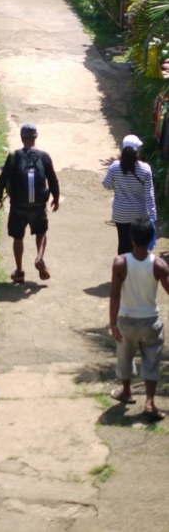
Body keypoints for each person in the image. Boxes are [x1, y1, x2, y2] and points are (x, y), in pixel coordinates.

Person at [109, 217, 169, 420]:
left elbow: (115, 294)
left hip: (127, 320)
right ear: (152, 237)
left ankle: (126, 392)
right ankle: (150, 402)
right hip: (151, 321)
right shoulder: (159, 265)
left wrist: (112, 323)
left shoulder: (121, 263)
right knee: (151, 360)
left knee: (124, 357)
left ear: (131, 238)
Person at [0, 121, 60, 283]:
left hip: (18, 204)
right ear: (35, 137)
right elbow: (52, 179)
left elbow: (3, 178)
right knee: (41, 231)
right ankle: (39, 257)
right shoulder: (44, 156)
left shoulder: (14, 156)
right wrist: (56, 198)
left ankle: (19, 271)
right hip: (38, 205)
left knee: (18, 237)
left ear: (21, 137)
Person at [103, 134, 157, 255]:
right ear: (137, 152)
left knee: (123, 243)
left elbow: (106, 184)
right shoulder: (145, 169)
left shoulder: (115, 166)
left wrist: (117, 185)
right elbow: (149, 194)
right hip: (139, 214)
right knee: (138, 245)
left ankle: (123, 270)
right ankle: (136, 269)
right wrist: (153, 216)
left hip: (120, 212)